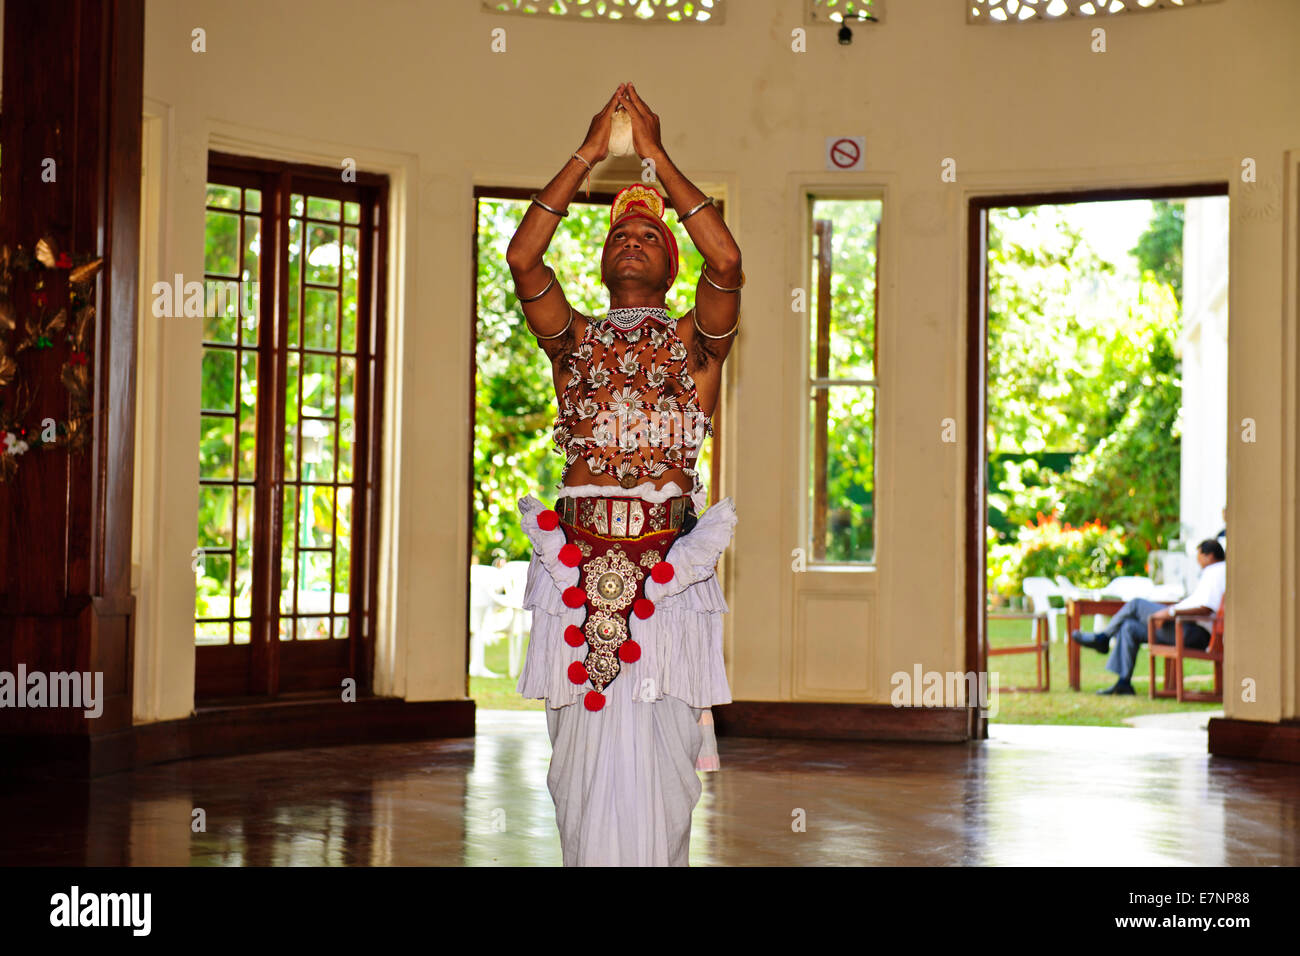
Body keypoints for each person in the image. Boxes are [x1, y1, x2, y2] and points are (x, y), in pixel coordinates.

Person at [507, 83, 742, 866]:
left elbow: (730, 258)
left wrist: (653, 157)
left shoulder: (693, 346)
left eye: (650, 234)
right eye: (620, 234)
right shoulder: (571, 341)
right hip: (577, 576)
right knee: (577, 778)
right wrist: (589, 151)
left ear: (672, 263)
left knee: (665, 776)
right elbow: (523, 256)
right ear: (604, 260)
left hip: (666, 585)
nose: (632, 240)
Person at [1071, 539, 1226, 695]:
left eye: (1199, 556)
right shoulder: (1213, 572)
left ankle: (1103, 638)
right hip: (1185, 627)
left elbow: (1206, 608)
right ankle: (1123, 683)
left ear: (1209, 555)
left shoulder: (1217, 571)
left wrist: (1170, 612)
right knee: (1129, 627)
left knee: (1136, 604)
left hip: (1193, 632)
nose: (1197, 561)